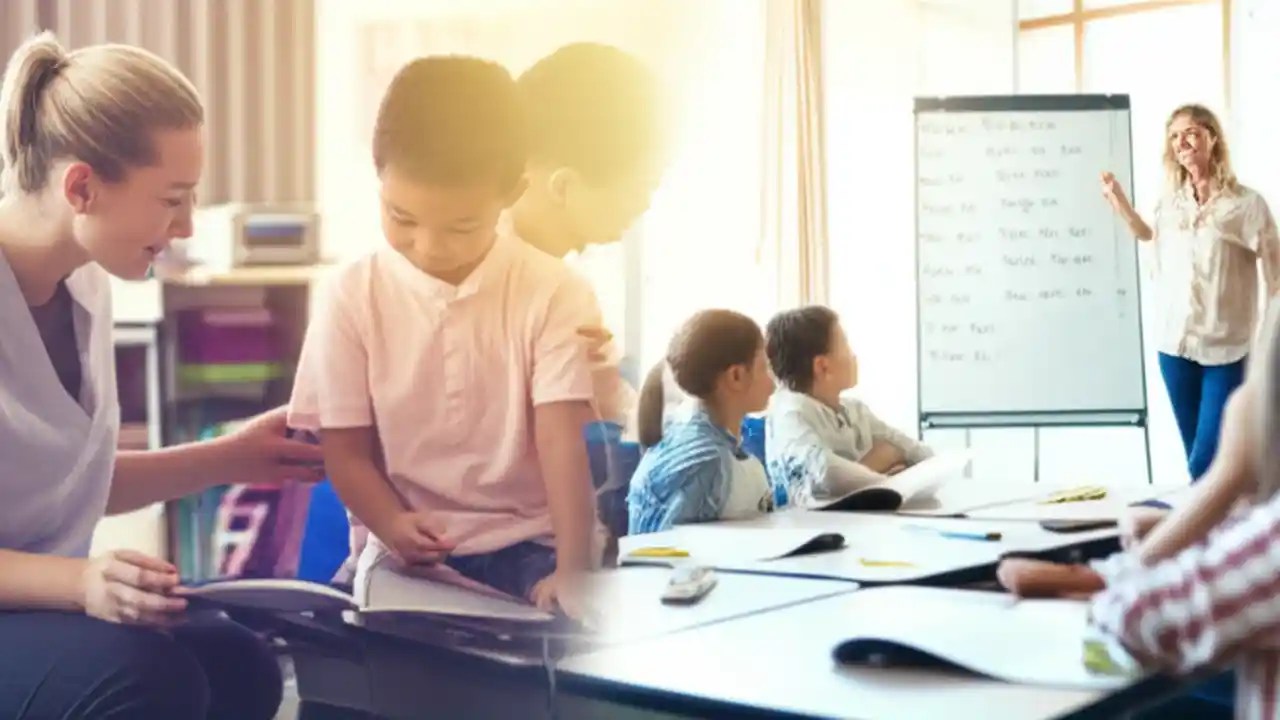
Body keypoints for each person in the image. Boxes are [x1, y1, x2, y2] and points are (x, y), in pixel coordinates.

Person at [0, 32, 323, 719]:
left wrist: (236, 457)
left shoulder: (86, 286)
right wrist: (82, 582)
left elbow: (61, 488)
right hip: (23, 600)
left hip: (39, 603)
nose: (185, 225)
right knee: (147, 680)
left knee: (242, 664)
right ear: (82, 187)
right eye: (171, 199)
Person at [288, 56, 603, 619]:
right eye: (401, 217)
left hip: (531, 546)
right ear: (377, 177)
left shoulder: (554, 291)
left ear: (512, 193)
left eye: (461, 226)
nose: (430, 247)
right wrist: (390, 522)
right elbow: (346, 451)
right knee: (347, 665)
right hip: (406, 551)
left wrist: (575, 569)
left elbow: (562, 441)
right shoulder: (350, 295)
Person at [1101, 103, 1279, 482]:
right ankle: (1217, 534)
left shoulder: (1246, 205)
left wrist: (1269, 344)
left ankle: (1213, 529)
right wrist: (1122, 206)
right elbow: (1150, 236)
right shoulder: (1171, 203)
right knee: (1197, 462)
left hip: (1227, 351)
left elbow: (1275, 276)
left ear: (1213, 138)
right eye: (1175, 136)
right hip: (1174, 350)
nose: (1183, 142)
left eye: (1192, 132)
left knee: (1207, 461)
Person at [764, 305, 933, 508]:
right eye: (845, 346)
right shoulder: (790, 412)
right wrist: (886, 481)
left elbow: (917, 453)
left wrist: (882, 467)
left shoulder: (855, 410)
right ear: (822, 366)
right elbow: (826, 472)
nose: (854, 357)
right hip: (810, 530)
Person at [627, 309, 775, 534]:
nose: (772, 382)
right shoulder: (705, 464)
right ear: (736, 376)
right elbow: (676, 561)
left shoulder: (714, 445)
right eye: (764, 367)